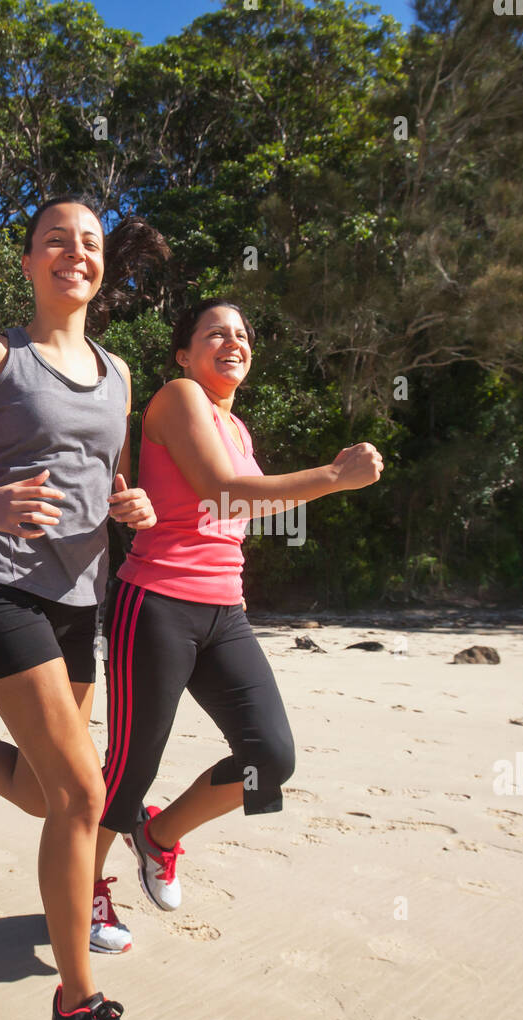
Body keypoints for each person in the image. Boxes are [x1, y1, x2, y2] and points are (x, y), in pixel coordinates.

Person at [0, 196, 167, 1020]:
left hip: (81, 600)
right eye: (55, 240)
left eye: (89, 243)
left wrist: (131, 504)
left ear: (103, 266)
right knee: (82, 791)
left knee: (37, 790)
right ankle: (77, 1005)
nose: (74, 254)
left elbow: (113, 479)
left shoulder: (120, 370)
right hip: (2, 589)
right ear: (27, 262)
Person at [94, 298, 383, 920]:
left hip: (225, 611)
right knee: (129, 768)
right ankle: (87, 888)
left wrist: (323, 483)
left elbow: (248, 504)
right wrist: (333, 475)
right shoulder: (177, 397)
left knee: (270, 755)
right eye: (215, 333)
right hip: (156, 603)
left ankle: (156, 837)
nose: (234, 342)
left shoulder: (238, 427)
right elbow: (221, 491)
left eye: (243, 334)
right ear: (184, 353)